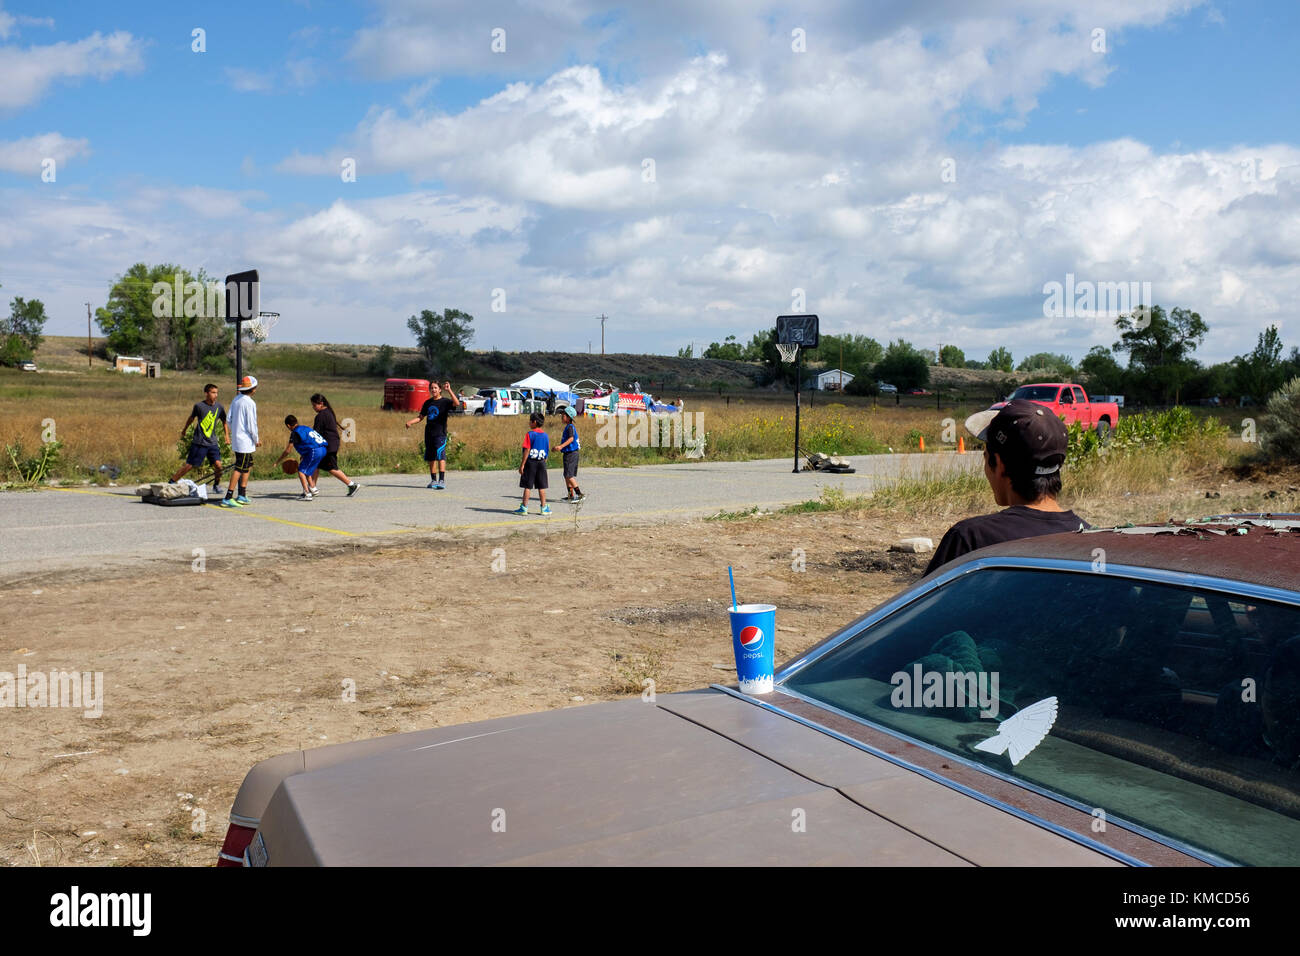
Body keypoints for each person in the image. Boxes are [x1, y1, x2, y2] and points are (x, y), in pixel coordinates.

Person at [924, 399, 1089, 575]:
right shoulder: (1091, 539)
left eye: (985, 456)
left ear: (1000, 465)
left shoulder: (969, 540)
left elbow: (925, 601)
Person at [171, 383, 229, 492]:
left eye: (217, 393)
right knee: (189, 466)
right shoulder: (199, 406)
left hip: (212, 442)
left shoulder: (219, 407)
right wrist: (184, 429)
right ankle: (172, 481)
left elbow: (224, 421)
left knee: (219, 466)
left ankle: (216, 485)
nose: (215, 395)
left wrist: (227, 436)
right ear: (206, 393)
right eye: (213, 392)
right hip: (199, 442)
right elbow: (191, 418)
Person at [404, 379, 460, 488]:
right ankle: (434, 480)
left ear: (439, 389)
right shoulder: (428, 403)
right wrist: (411, 422)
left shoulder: (445, 402)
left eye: (435, 388)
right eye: (432, 388)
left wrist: (449, 390)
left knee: (440, 455)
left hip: (440, 433)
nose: (433, 390)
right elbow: (421, 417)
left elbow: (456, 403)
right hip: (429, 433)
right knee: (431, 457)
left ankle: (442, 481)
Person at [309, 393, 359, 496]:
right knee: (316, 465)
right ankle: (312, 488)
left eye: (314, 405)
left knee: (331, 468)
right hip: (331, 444)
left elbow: (315, 434)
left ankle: (351, 484)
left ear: (321, 403)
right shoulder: (329, 412)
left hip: (328, 446)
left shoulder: (320, 416)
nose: (313, 408)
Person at [222, 376, 260, 508]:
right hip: (245, 441)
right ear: (253, 389)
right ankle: (228, 497)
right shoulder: (249, 403)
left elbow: (229, 418)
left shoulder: (236, 399)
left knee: (247, 465)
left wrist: (235, 432)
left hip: (238, 439)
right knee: (239, 467)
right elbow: (251, 424)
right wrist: (256, 439)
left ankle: (242, 494)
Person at [276, 415, 329, 501]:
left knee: (301, 471)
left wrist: (278, 460)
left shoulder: (295, 432)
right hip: (323, 449)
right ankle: (313, 488)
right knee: (307, 469)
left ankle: (307, 494)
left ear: (288, 426)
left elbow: (288, 450)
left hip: (315, 451)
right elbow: (309, 441)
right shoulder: (305, 428)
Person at [513, 412, 551, 515]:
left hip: (531, 462)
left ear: (534, 422)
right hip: (541, 462)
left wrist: (522, 464)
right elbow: (547, 450)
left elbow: (527, 450)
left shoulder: (530, 434)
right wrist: (544, 461)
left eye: (530, 421)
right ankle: (544, 508)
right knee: (541, 486)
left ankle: (524, 508)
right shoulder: (545, 435)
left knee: (528, 486)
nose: (529, 423)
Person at [556, 405, 584, 501]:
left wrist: (561, 446)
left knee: (569, 475)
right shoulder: (568, 427)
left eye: (563, 415)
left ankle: (579, 495)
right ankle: (570, 495)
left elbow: (571, 439)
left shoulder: (570, 427)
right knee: (566, 475)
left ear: (568, 417)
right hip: (568, 453)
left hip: (572, 453)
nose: (561, 417)